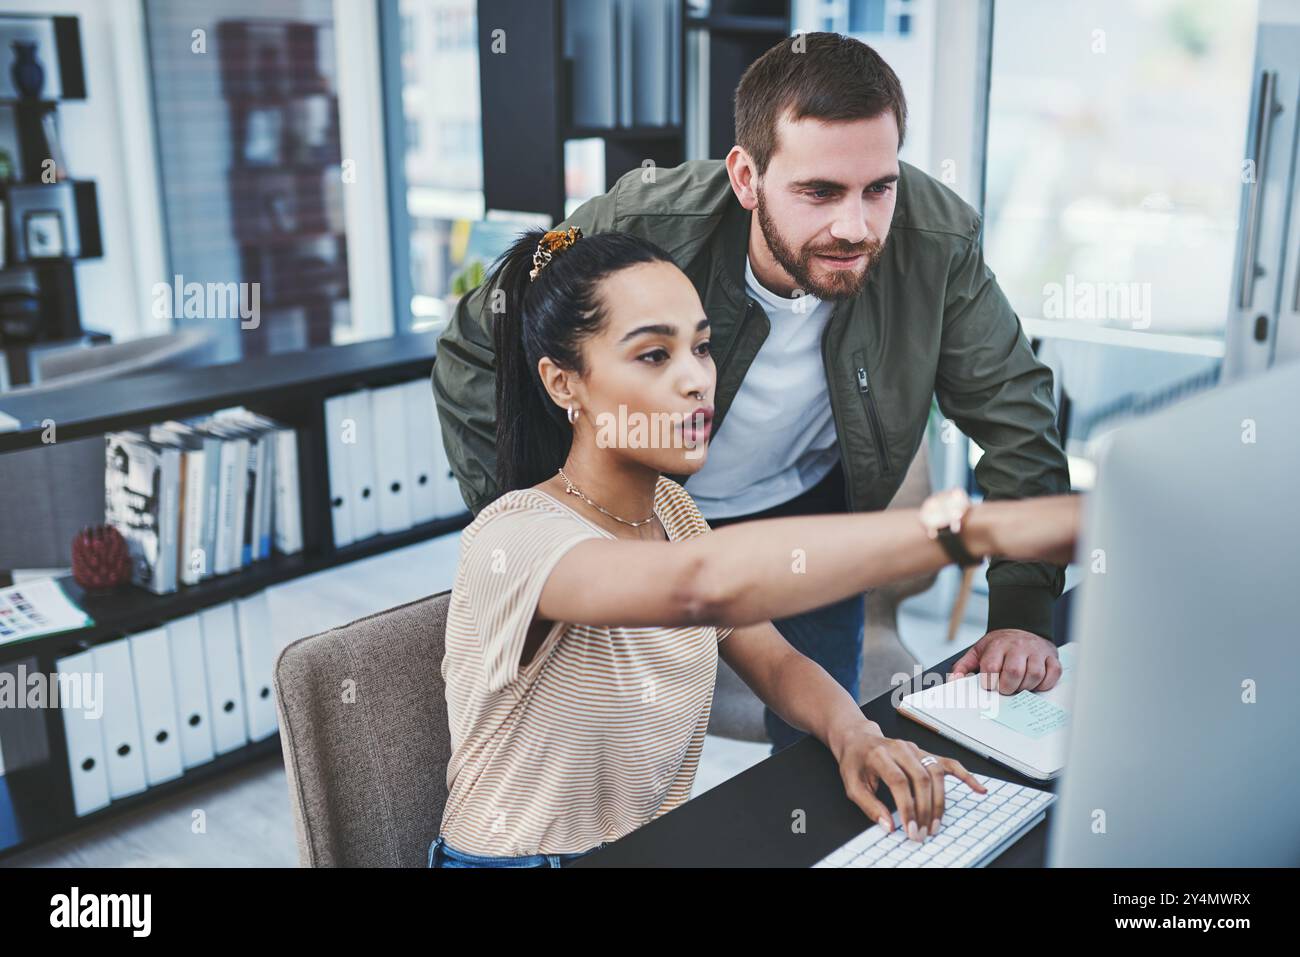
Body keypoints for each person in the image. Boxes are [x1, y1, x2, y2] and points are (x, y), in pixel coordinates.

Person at [433, 33, 1072, 753]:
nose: (855, 226)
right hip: (644, 516)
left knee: (826, 741)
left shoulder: (935, 240)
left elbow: (1016, 416)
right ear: (746, 177)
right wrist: (537, 529)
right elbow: (471, 350)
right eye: (819, 192)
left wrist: (1021, 607)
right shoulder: (646, 224)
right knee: (610, 747)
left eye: (879, 188)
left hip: (807, 513)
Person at [429, 226, 1079, 868]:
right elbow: (698, 586)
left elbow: (776, 662)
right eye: (654, 354)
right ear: (563, 382)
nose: (697, 380)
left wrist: (854, 732)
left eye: (703, 347)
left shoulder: (672, 511)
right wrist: (974, 530)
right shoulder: (515, 536)